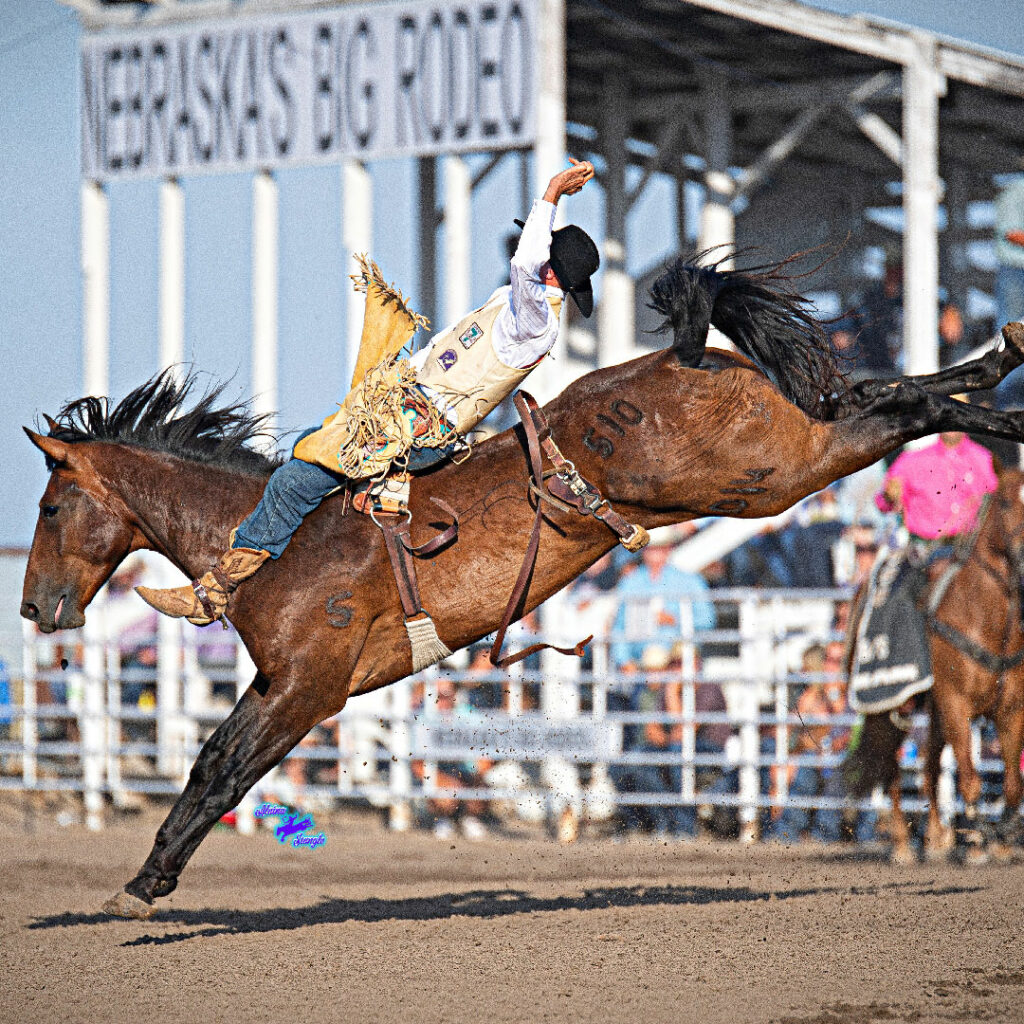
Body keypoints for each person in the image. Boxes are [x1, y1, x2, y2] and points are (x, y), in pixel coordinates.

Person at [138, 158, 599, 624]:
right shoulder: (521, 309)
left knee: (294, 479)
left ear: (551, 271)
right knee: (307, 459)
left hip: (416, 429)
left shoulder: (535, 319)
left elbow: (523, 264)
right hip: (401, 409)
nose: (524, 255)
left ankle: (215, 591)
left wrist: (552, 193)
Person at [875, 428, 998, 545]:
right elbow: (882, 501)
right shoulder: (913, 460)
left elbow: (1002, 501)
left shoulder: (984, 459)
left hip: (968, 548)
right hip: (924, 549)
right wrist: (889, 497)